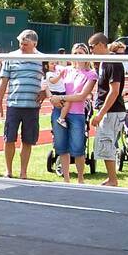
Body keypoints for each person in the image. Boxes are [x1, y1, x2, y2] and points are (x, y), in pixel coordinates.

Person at [0, 29, 46, 179]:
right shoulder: (11, 57)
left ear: (34, 43)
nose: (22, 46)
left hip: (32, 106)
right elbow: (3, 82)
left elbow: (52, 78)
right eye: (20, 43)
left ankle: (23, 172)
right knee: (9, 138)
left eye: (25, 44)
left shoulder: (43, 58)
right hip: (14, 104)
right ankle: (8, 170)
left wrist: (45, 92)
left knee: (28, 140)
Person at [47, 44, 95, 182]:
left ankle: (80, 178)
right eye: (75, 53)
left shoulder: (91, 74)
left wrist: (61, 98)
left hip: (77, 113)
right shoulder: (65, 70)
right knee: (61, 145)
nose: (78, 55)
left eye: (81, 53)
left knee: (78, 146)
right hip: (59, 110)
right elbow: (50, 82)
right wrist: (52, 98)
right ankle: (66, 178)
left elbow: (81, 95)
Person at [88, 32, 126, 187]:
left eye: (92, 47)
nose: (91, 51)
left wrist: (101, 113)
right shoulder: (104, 62)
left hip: (112, 111)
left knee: (106, 142)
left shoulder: (112, 61)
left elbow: (114, 90)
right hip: (109, 110)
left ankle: (113, 179)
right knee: (105, 143)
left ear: (100, 45)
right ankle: (112, 178)